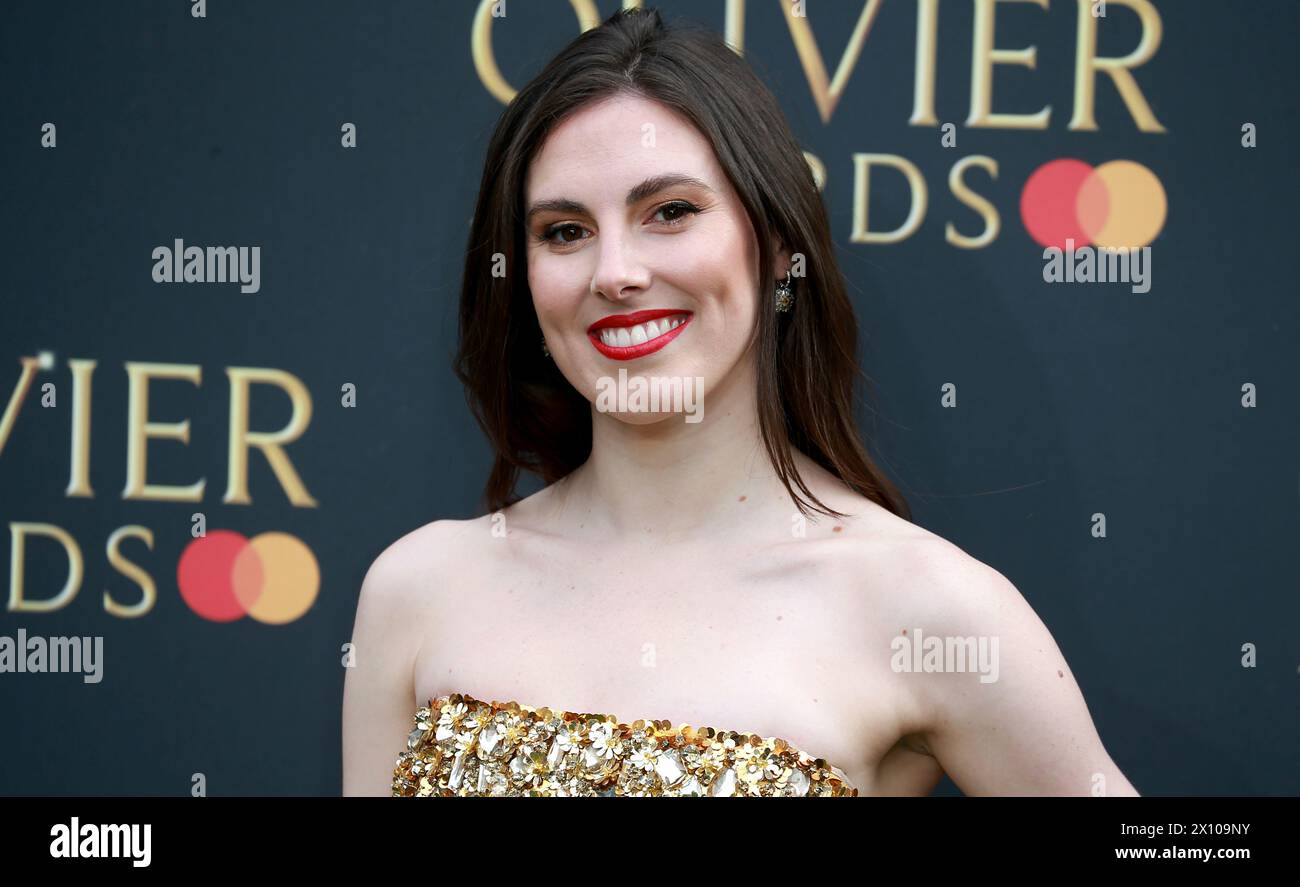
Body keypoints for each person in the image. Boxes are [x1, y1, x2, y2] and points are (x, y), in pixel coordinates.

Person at [342, 6, 1139, 797]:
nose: (614, 271)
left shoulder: (921, 605)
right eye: (563, 230)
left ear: (778, 248)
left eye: (671, 212)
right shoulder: (418, 589)